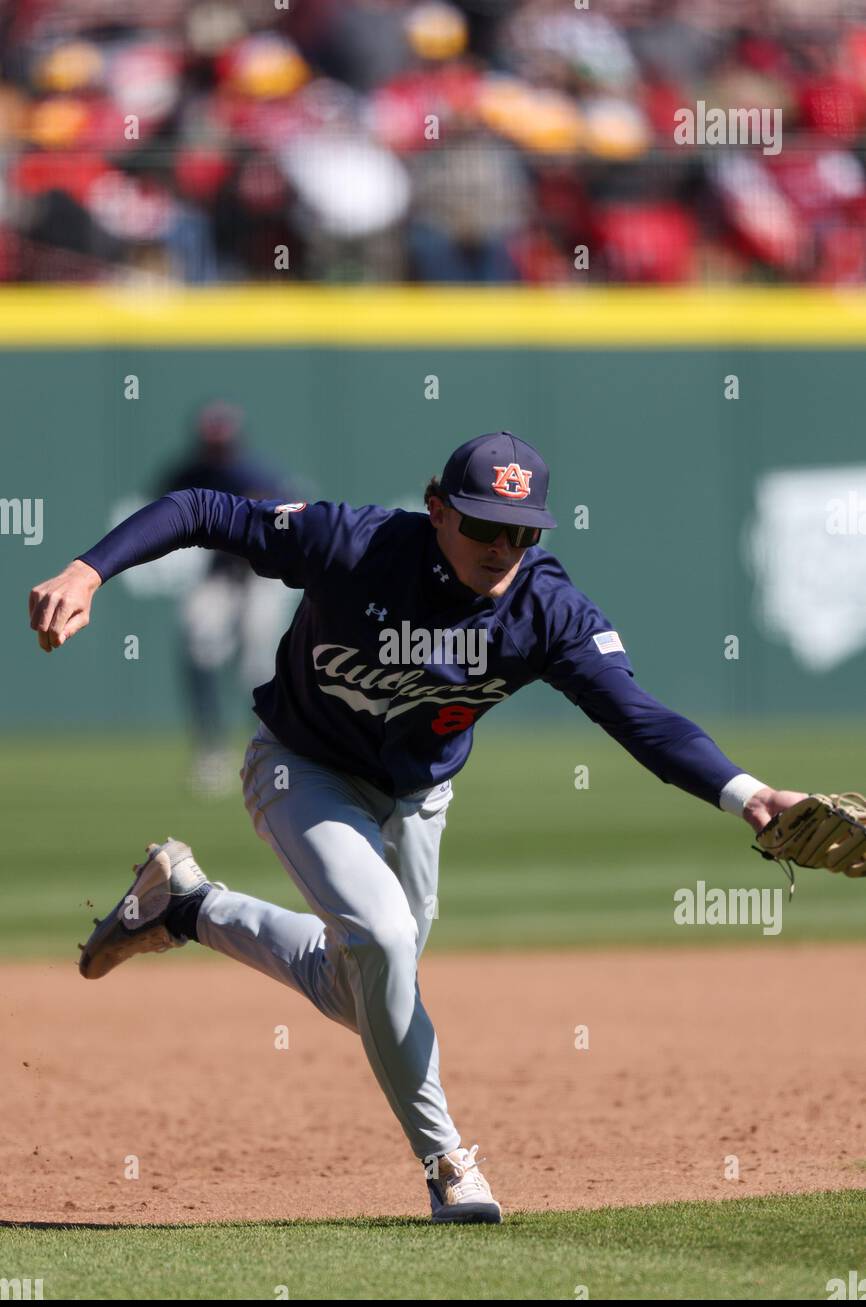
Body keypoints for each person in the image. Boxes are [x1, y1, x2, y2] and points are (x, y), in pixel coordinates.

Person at [28, 431, 808, 1224]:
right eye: (483, 525)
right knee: (387, 942)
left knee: (360, 987)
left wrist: (744, 792)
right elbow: (202, 509)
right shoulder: (353, 545)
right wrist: (90, 570)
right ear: (437, 510)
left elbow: (639, 718)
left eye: (523, 531)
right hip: (303, 769)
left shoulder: (546, 609)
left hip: (419, 799)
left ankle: (187, 906)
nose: (503, 547)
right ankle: (447, 1164)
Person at [156, 400, 307, 796]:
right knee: (196, 645)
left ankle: (274, 752)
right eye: (211, 439)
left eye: (223, 440)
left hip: (261, 577)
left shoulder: (255, 474)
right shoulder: (189, 472)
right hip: (220, 575)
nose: (217, 447)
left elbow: (288, 524)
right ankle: (211, 750)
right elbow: (159, 509)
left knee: (258, 670)